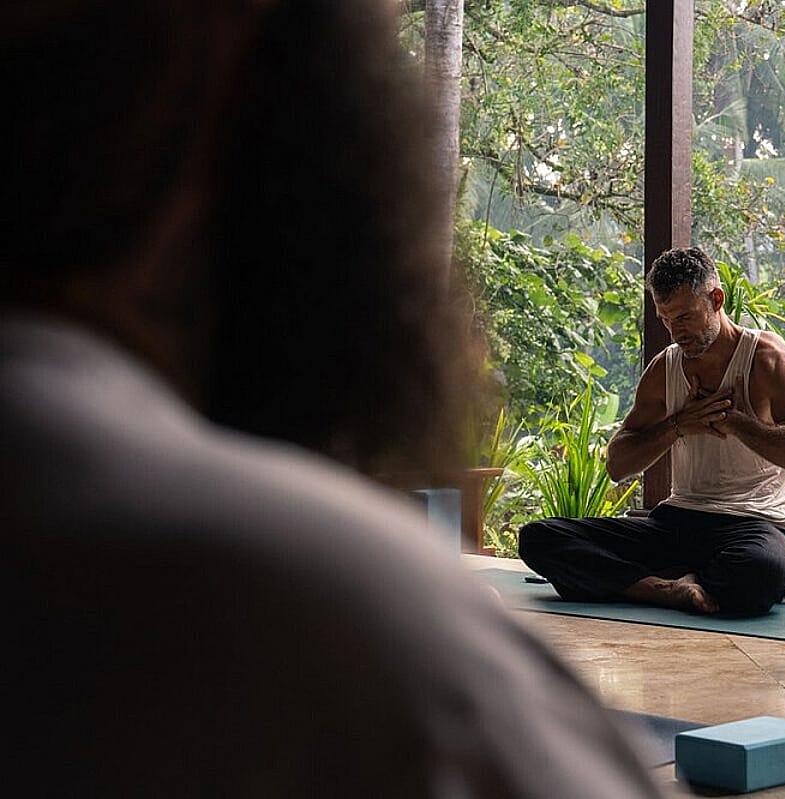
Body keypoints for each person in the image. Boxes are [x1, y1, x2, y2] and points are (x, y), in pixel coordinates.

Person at [2, 2, 665, 797]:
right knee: (547, 538)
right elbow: (622, 462)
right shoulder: (366, 632)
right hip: (669, 534)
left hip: (740, 533)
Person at [519, 247, 785, 617]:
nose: (675, 331)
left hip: (755, 525)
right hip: (678, 523)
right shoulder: (663, 369)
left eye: (685, 317)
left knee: (765, 570)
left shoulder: (766, 357)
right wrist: (679, 425)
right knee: (539, 538)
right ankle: (665, 589)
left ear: (716, 300)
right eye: (666, 319)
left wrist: (734, 421)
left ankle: (669, 577)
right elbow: (617, 465)